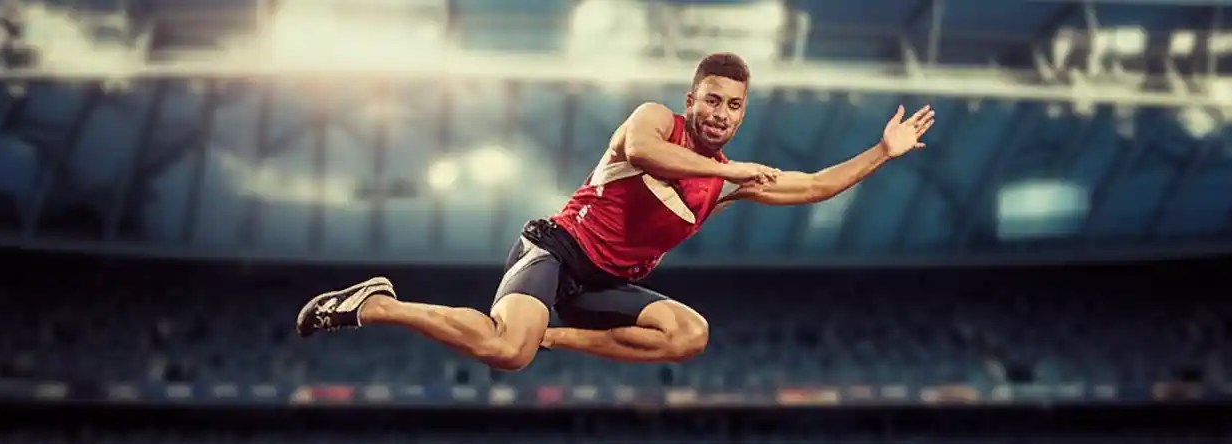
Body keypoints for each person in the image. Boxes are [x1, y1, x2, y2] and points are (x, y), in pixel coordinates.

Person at [295, 52, 934, 372]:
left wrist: (882, 150)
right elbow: (642, 152)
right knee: (507, 353)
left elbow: (816, 186)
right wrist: (729, 169)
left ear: (743, 113)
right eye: (712, 100)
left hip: (604, 284)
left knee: (690, 335)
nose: (721, 113)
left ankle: (553, 334)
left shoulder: (728, 180)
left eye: (734, 107)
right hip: (557, 251)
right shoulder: (657, 121)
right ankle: (379, 304)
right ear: (692, 99)